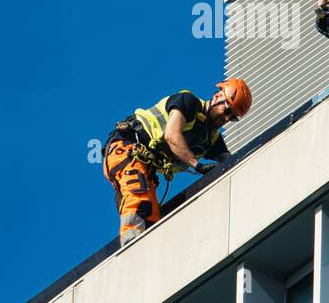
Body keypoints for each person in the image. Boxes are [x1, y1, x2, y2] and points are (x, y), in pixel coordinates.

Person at [102, 79, 252, 245]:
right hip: (126, 148)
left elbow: (230, 162)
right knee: (139, 199)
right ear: (217, 96)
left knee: (151, 216)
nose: (226, 118)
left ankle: (144, 249)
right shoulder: (189, 102)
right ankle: (131, 246)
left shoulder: (211, 138)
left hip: (145, 166)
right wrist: (198, 165)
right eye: (227, 110)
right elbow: (172, 136)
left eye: (232, 117)